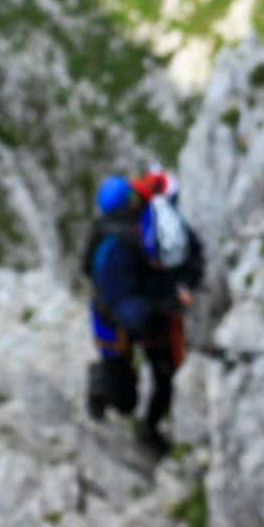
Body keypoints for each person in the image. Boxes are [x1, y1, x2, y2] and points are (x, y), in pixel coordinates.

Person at [84, 170, 206, 458]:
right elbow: (128, 308)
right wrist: (167, 301)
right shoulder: (115, 247)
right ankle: (102, 382)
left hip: (148, 310)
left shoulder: (159, 223)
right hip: (120, 316)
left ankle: (150, 429)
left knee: (167, 376)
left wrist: (185, 283)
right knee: (124, 399)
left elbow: (191, 253)